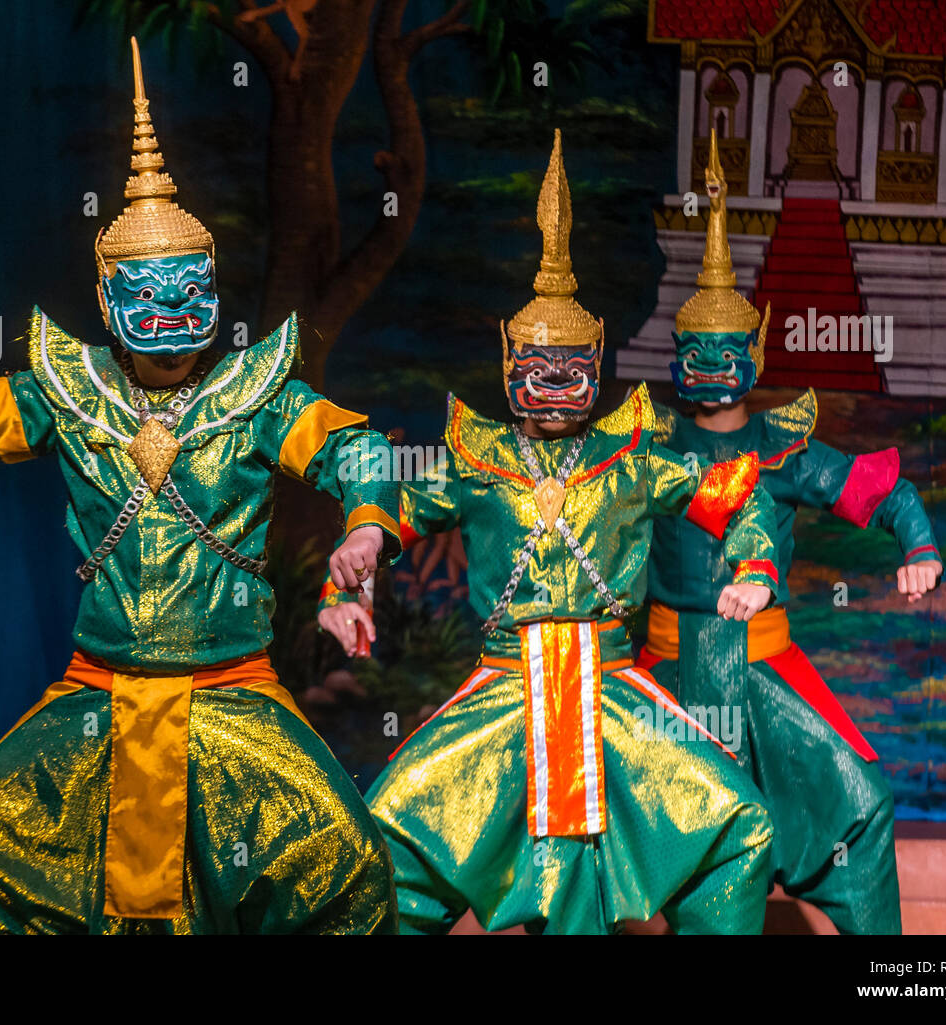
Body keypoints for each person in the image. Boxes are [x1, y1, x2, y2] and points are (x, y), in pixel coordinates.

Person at [0, 39, 401, 934]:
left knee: (346, 869)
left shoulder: (252, 396)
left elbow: (357, 452)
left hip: (234, 699)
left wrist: (365, 528)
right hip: (97, 699)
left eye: (193, 299)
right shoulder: (74, 393)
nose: (175, 323)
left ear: (214, 294)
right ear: (108, 301)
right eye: (151, 300)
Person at [320, 132, 781, 934]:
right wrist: (351, 567)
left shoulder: (630, 454)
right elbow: (390, 518)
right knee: (384, 834)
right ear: (506, 365)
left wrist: (753, 565)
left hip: (613, 693)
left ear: (598, 364)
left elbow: (736, 497)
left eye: (573, 369)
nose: (558, 385)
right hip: (502, 691)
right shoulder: (477, 457)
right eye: (539, 370)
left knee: (738, 824)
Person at [635, 133, 942, 934]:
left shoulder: (782, 451)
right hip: (669, 667)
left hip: (766, 664)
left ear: (754, 351)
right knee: (647, 833)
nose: (707, 364)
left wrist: (922, 549)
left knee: (862, 805)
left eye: (723, 351)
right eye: (692, 351)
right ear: (675, 359)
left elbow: (884, 491)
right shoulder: (645, 449)